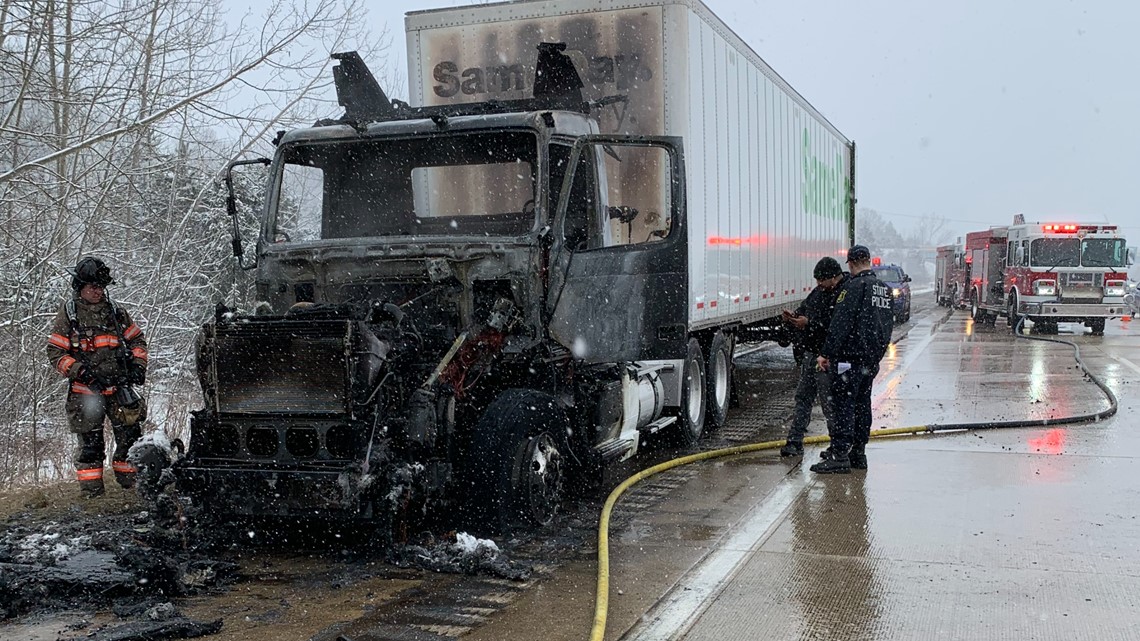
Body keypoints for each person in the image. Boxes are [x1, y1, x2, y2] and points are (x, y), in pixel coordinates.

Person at [46, 257, 149, 497]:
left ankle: (130, 486)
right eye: (93, 286)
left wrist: (138, 365)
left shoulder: (116, 312)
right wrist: (80, 371)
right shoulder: (70, 314)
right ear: (79, 287)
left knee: (130, 439)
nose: (98, 291)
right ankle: (92, 493)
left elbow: (137, 340)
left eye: (101, 286)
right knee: (91, 446)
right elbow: (55, 352)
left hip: (119, 391)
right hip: (85, 393)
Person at [810, 245, 893, 474]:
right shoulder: (884, 290)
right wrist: (876, 356)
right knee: (862, 405)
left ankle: (839, 455)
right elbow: (887, 327)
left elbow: (840, 324)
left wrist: (826, 353)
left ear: (852, 263)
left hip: (849, 359)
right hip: (870, 361)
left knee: (843, 406)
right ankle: (859, 452)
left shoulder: (854, 287)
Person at [778, 257, 848, 457]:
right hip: (811, 354)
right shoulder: (818, 293)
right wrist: (793, 317)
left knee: (830, 404)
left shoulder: (843, 294)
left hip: (827, 357)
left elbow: (835, 325)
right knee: (803, 398)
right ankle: (794, 441)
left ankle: (837, 447)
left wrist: (809, 324)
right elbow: (805, 309)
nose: (818, 284)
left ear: (833, 278)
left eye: (821, 280)